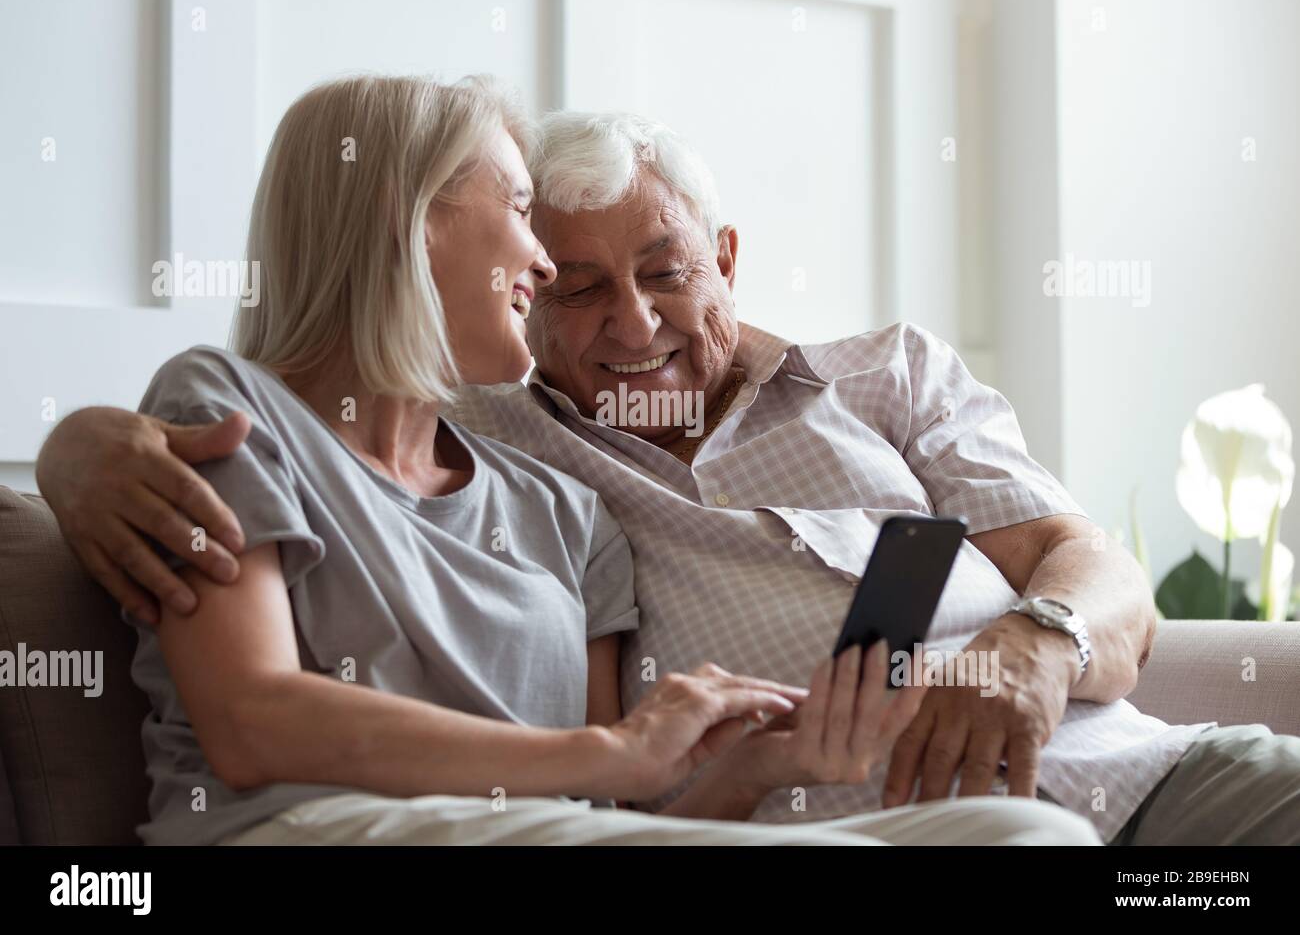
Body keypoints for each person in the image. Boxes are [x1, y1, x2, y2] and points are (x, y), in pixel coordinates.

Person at [40, 74, 1100, 846]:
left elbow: (608, 811)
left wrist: (770, 757)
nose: (540, 260)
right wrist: (66, 445)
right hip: (315, 826)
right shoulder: (229, 414)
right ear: (401, 222)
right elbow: (252, 722)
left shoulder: (557, 499)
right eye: (516, 213)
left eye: (654, 273)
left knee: (1021, 838)